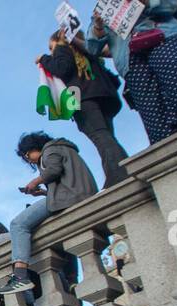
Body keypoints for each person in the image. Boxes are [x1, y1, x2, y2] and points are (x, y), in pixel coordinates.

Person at [88, 0, 177, 146]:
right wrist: (98, 27)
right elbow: (92, 47)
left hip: (161, 35)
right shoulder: (105, 6)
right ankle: (163, 141)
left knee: (168, 63)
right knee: (147, 98)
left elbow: (172, 5)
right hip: (128, 56)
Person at [0, 132, 98, 296]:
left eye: (27, 155)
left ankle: (20, 276)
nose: (29, 160)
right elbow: (62, 180)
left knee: (18, 224)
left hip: (70, 198)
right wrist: (44, 193)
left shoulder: (50, 149)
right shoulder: (65, 148)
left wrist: (35, 181)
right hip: (77, 194)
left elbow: (53, 170)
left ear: (33, 147)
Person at [39, 29, 129, 187]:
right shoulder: (86, 51)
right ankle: (118, 171)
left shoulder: (62, 49)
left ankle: (119, 174)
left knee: (100, 137)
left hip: (84, 99)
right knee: (107, 136)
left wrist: (44, 59)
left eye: (50, 46)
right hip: (104, 96)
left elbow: (62, 69)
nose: (50, 51)